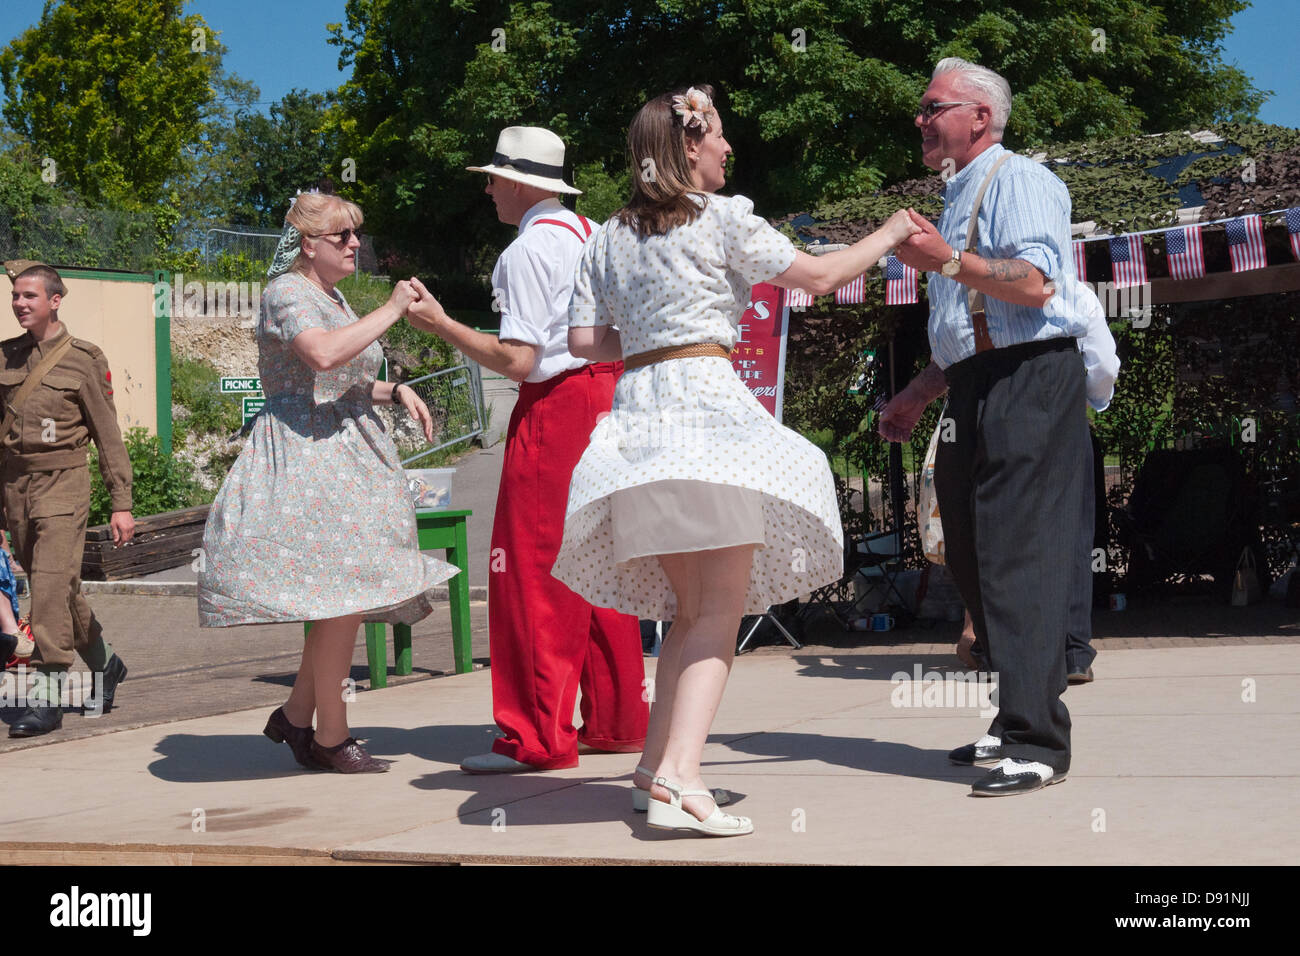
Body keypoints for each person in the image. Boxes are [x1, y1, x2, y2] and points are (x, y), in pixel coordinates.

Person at [550, 85, 920, 835]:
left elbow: (585, 344)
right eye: (717, 136)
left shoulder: (606, 237)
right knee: (716, 613)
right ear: (687, 147)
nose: (728, 148)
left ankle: (654, 770)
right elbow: (818, 277)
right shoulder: (722, 218)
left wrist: (656, 340)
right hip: (707, 419)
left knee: (687, 613)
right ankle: (685, 777)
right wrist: (890, 233)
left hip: (637, 428)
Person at [404, 126, 649, 774]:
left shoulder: (527, 251)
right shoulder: (589, 233)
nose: (486, 190)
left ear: (517, 182)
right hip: (609, 397)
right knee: (603, 561)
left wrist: (443, 325)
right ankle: (619, 719)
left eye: (492, 178)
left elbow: (519, 359)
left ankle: (537, 736)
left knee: (530, 570)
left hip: (560, 408)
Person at [880, 58, 1094, 796]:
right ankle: (1013, 720)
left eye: (931, 105)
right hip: (976, 385)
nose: (920, 118)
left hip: (1031, 381)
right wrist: (915, 393)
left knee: (1019, 555)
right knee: (971, 555)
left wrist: (947, 258)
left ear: (979, 115)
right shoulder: (959, 194)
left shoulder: (1021, 178)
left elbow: (1035, 287)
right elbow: (972, 331)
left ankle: (1040, 740)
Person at [197, 191, 457, 773]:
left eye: (356, 234)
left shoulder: (332, 296)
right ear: (307, 243)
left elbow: (345, 377)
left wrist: (395, 389)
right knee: (340, 593)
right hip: (307, 456)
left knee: (341, 593)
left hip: (347, 456)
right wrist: (392, 309)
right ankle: (328, 736)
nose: (355, 244)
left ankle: (296, 719)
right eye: (342, 235)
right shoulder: (287, 292)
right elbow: (319, 358)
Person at [1, 262, 134, 736]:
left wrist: (122, 502)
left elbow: (108, 435)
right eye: (16, 295)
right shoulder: (6, 357)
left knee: (49, 589)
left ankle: (48, 696)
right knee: (62, 589)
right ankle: (106, 662)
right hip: (15, 488)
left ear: (55, 300)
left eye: (29, 296)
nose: (20, 303)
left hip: (63, 483)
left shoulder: (83, 358)